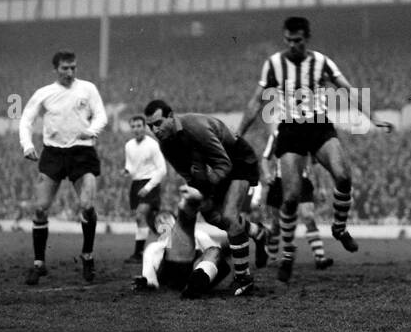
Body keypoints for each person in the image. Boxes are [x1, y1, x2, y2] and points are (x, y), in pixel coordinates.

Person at [236, 15, 393, 283]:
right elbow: (256, 102)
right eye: (288, 40)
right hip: (290, 129)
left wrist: (372, 117)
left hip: (319, 126)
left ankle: (339, 228)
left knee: (344, 176)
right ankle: (287, 254)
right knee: (290, 197)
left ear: (306, 38)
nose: (292, 45)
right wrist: (239, 133)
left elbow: (348, 90)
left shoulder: (322, 62)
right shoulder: (273, 64)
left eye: (297, 40)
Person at [143, 99, 267, 297]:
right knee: (212, 215)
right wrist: (198, 190)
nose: (154, 130)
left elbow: (224, 164)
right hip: (216, 169)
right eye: (150, 126)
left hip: (239, 161)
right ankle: (257, 232)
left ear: (170, 116)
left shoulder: (195, 128)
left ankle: (244, 278)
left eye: (158, 123)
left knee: (228, 216)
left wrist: (203, 189)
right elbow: (188, 173)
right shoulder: (166, 145)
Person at [18, 51, 107, 285]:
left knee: (87, 206)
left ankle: (87, 256)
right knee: (40, 209)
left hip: (82, 152)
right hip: (53, 153)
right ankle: (39, 264)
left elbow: (101, 116)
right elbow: (26, 119)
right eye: (65, 68)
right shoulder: (44, 93)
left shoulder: (88, 89)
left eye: (73, 68)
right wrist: (27, 145)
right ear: (55, 69)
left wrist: (91, 131)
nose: (70, 72)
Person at [253, 129, 332, 270]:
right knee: (276, 223)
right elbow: (265, 158)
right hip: (279, 182)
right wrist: (266, 174)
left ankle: (320, 258)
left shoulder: (310, 135)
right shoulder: (277, 134)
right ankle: (271, 258)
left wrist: (322, 187)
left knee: (308, 216)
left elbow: (315, 163)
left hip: (303, 181)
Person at [132, 186, 230, 298]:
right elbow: (150, 276)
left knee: (215, 251)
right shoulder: (154, 247)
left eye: (166, 217)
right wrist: (145, 282)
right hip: (173, 273)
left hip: (195, 270)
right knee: (181, 237)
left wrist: (227, 248)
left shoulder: (198, 234)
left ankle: (195, 286)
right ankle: (188, 205)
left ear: (174, 220)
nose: (163, 221)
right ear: (156, 230)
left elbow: (216, 255)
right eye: (159, 222)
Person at [123, 114, 166, 262]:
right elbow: (130, 164)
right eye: (133, 126)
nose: (136, 129)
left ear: (144, 127)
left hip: (150, 183)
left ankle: (138, 253)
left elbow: (162, 169)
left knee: (140, 216)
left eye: (139, 126)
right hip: (136, 183)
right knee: (149, 219)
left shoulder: (152, 145)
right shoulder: (128, 145)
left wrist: (148, 188)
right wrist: (126, 170)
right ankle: (168, 242)